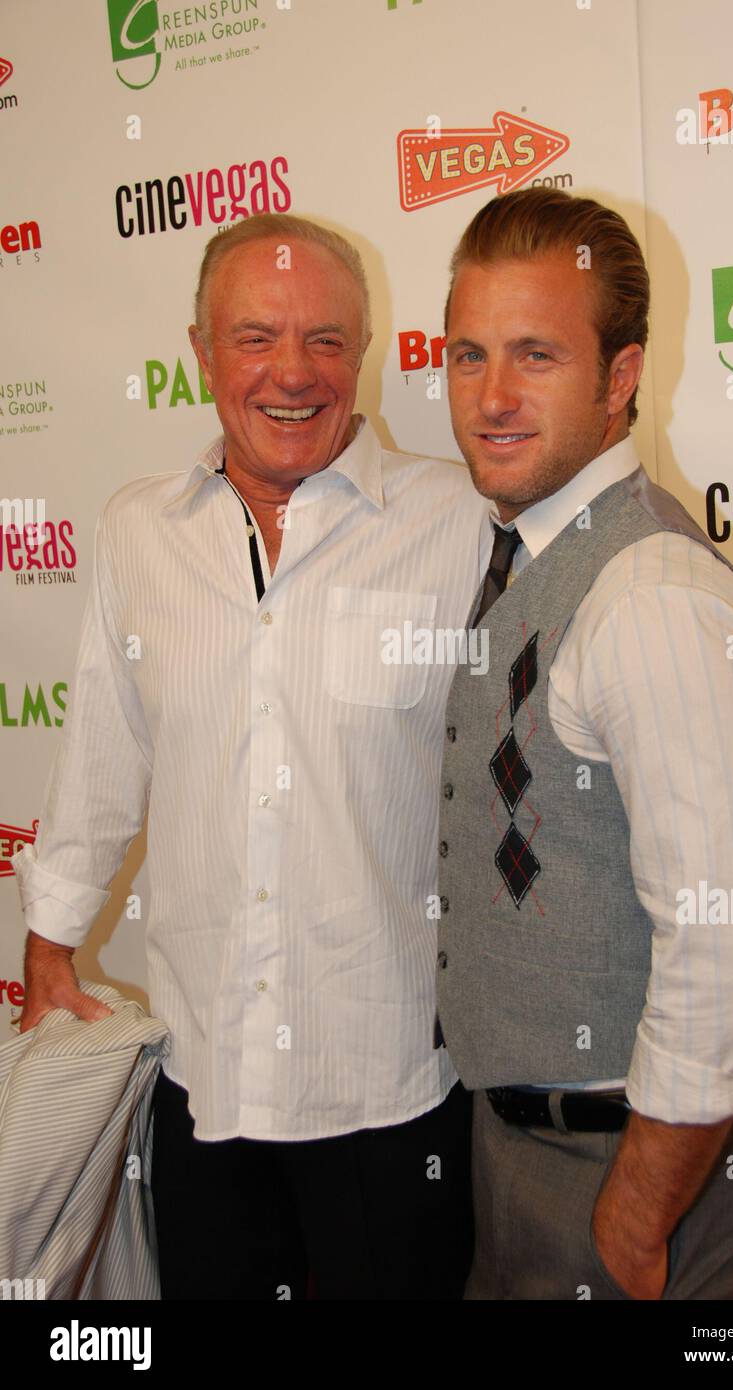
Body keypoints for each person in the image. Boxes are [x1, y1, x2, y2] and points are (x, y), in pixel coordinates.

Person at [13, 212, 492, 1300]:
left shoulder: (458, 522)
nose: (292, 372)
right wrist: (50, 949)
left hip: (393, 1088)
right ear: (198, 350)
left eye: (325, 339)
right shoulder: (140, 530)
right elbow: (100, 755)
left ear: (364, 352)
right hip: (204, 1081)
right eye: (254, 337)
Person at [434, 187, 733, 1301]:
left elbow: (727, 963)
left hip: (632, 1170)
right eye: (466, 354)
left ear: (620, 376)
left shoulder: (650, 599)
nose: (489, 398)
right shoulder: (525, 550)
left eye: (535, 355)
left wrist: (634, 1222)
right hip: (527, 1149)